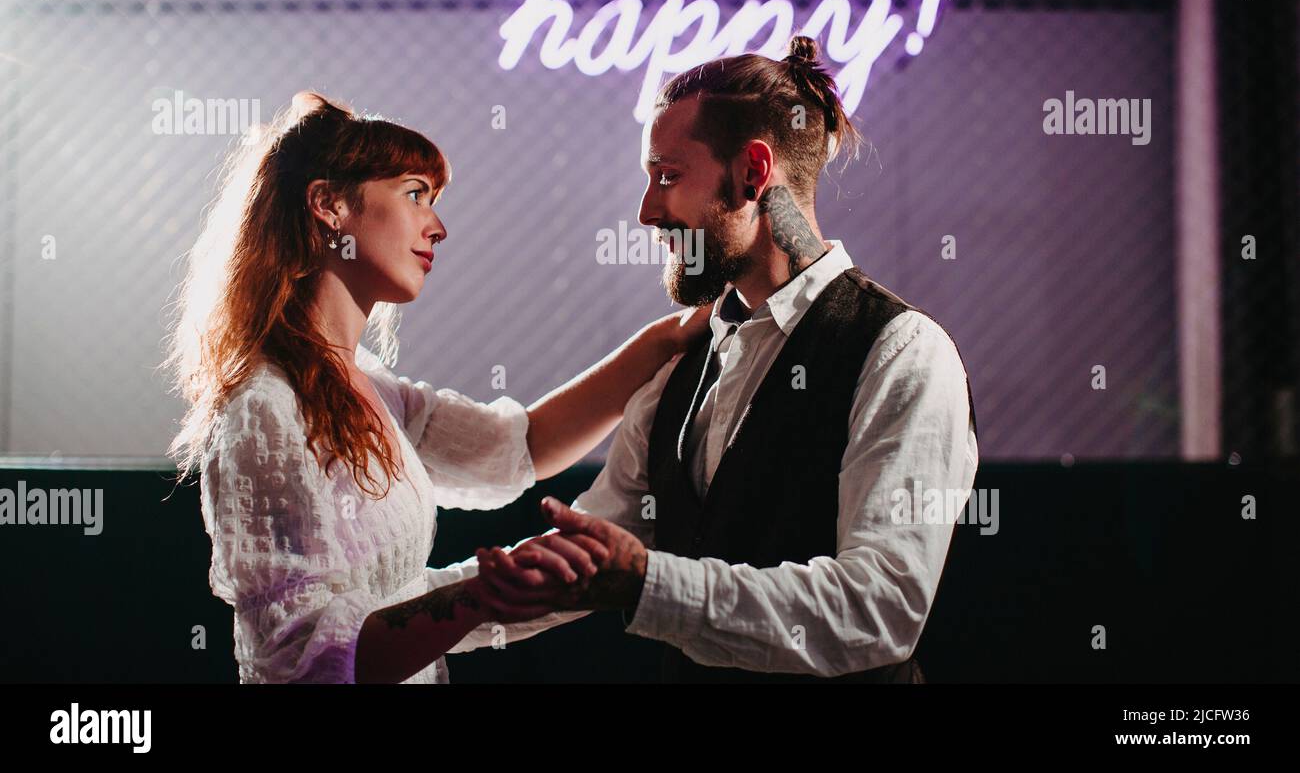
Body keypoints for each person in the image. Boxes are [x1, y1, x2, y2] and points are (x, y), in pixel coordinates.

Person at [461, 35, 981, 682]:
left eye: (667, 176)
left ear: (754, 174)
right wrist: (365, 624)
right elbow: (580, 556)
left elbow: (879, 610)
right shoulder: (682, 359)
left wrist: (650, 584)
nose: (648, 211)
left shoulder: (901, 351)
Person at [162, 91, 708, 684]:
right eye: (415, 193)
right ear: (328, 205)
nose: (438, 227)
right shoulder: (265, 409)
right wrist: (483, 595)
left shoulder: (368, 384)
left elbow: (516, 448)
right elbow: (308, 661)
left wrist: (668, 340)